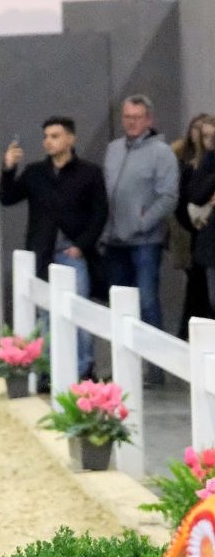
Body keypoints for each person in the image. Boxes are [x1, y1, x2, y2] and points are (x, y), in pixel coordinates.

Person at [0, 116, 108, 381]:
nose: (48, 141)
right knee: (46, 314)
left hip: (72, 251)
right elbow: (8, 197)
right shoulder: (36, 172)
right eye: (46, 136)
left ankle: (83, 369)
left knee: (79, 311)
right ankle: (48, 370)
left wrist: (82, 246)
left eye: (55, 136)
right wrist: (8, 169)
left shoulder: (89, 172)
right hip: (43, 251)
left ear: (71, 138)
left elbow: (100, 212)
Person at [101, 95, 179, 363]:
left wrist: (141, 224)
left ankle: (155, 368)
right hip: (114, 242)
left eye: (137, 117)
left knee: (147, 303)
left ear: (149, 120)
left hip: (146, 242)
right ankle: (124, 366)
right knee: (119, 308)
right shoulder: (113, 149)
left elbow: (169, 196)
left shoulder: (162, 153)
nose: (131, 122)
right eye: (127, 117)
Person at [172, 114, 215, 336]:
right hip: (202, 239)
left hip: (203, 238)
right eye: (203, 135)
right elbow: (194, 196)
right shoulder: (202, 162)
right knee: (203, 298)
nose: (206, 139)